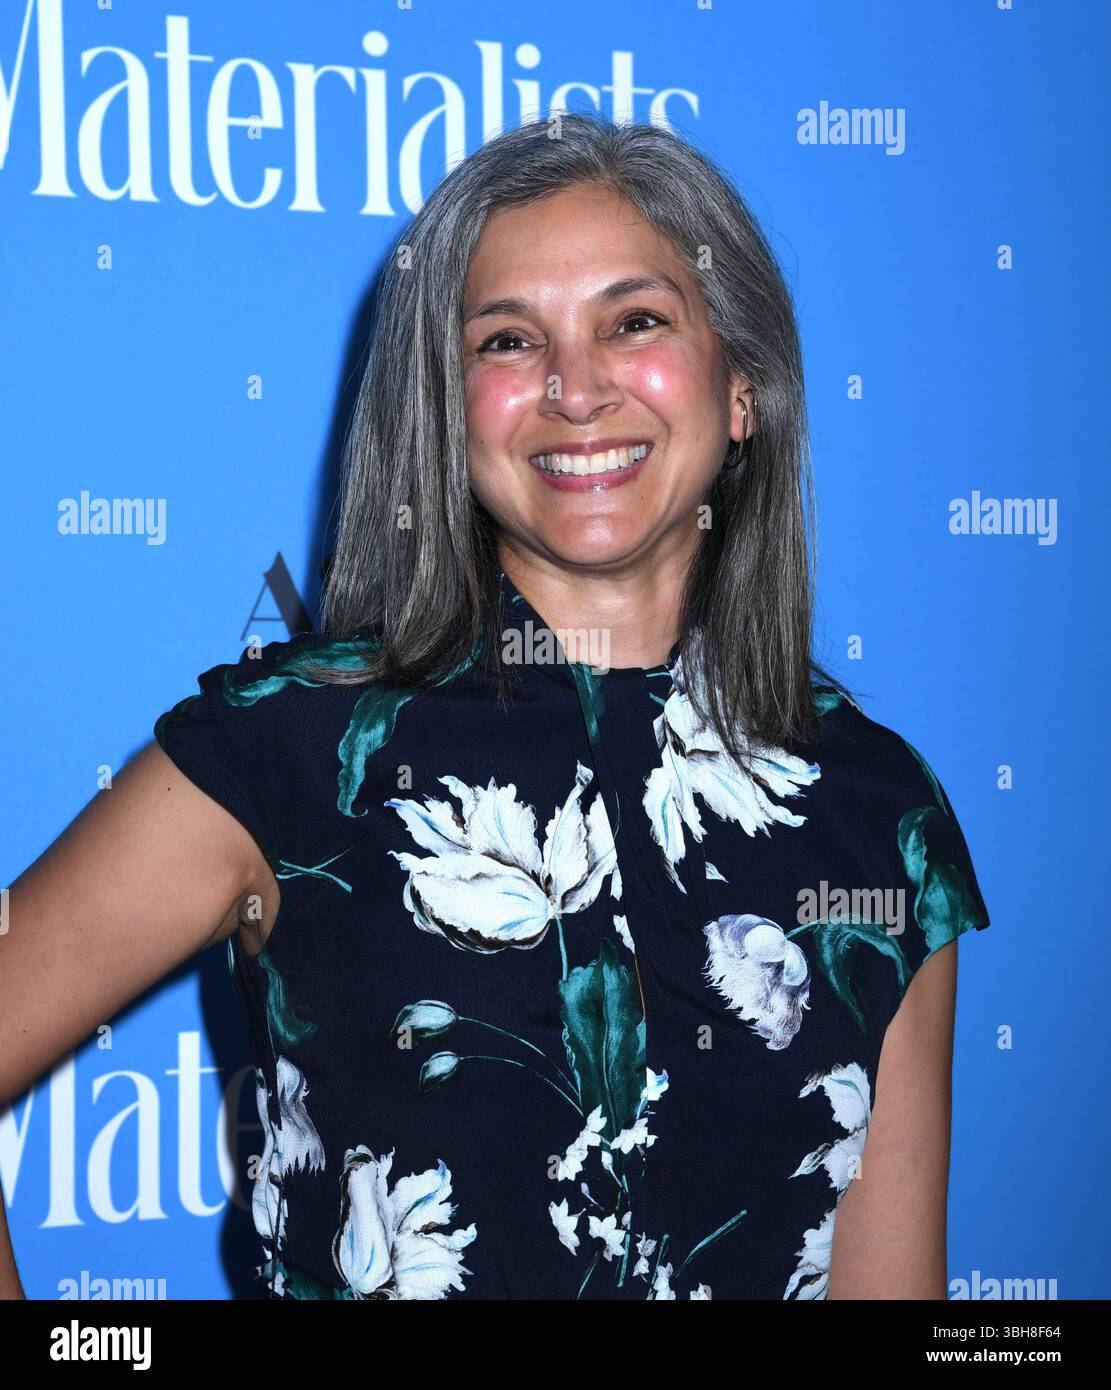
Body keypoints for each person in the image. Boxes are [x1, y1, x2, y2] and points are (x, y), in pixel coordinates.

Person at [0, 112, 990, 1301]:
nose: (577, 389)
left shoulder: (881, 811)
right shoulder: (289, 745)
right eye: (510, 340)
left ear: (741, 390)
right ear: (447, 412)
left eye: (636, 322)